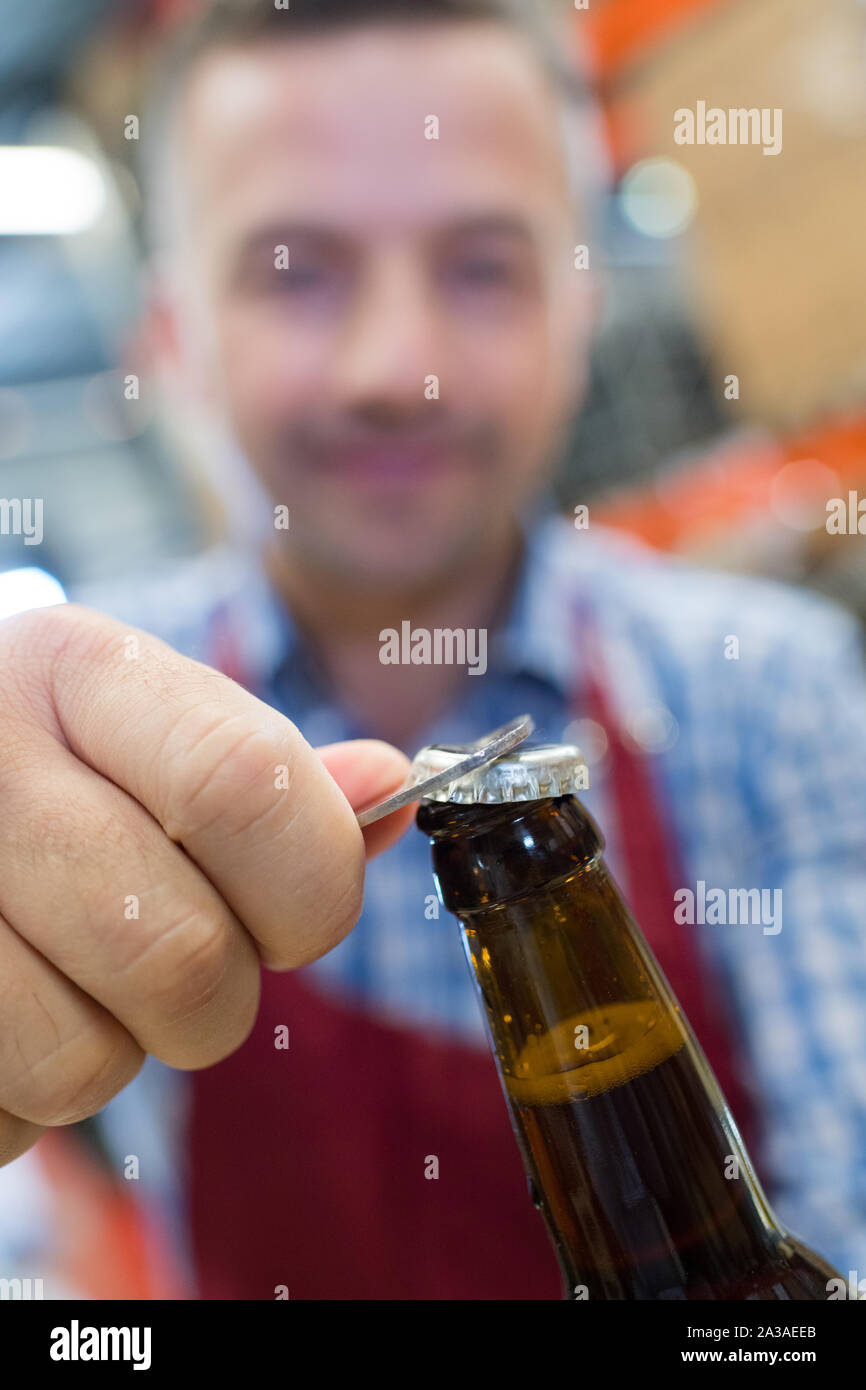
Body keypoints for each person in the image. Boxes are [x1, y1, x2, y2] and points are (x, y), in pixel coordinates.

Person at [1, 0, 865, 1299]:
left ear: (576, 307)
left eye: (479, 265)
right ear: (171, 337)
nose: (394, 366)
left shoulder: (768, 689)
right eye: (294, 269)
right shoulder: (79, 747)